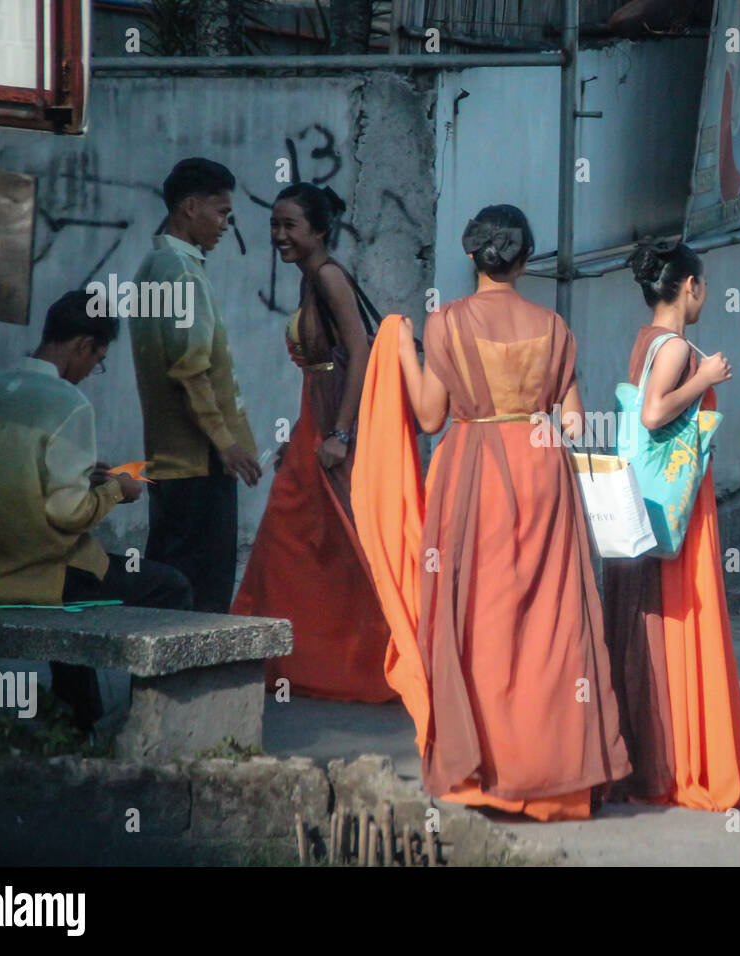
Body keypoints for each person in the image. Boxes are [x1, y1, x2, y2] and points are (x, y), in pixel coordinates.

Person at [396, 204, 630, 821]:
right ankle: (556, 774)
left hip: (473, 469)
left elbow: (428, 417)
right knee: (550, 622)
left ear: (472, 257)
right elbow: (575, 423)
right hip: (542, 467)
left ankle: (484, 770)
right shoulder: (553, 327)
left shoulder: (444, 324)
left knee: (480, 617)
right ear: (526, 260)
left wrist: (399, 346)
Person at [0, 291, 192, 731]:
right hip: (43, 573)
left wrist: (84, 477)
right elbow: (66, 513)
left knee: (80, 590)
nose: (90, 372)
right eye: (96, 360)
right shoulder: (68, 402)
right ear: (81, 346)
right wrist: (117, 490)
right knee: (170, 588)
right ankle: (147, 727)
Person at [601, 241, 740, 811]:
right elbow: (653, 413)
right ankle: (677, 759)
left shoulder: (646, 340)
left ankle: (652, 751)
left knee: (646, 616)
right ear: (689, 286)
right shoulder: (675, 346)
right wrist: (707, 377)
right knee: (675, 611)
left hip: (646, 494)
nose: (707, 295)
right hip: (674, 499)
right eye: (705, 285)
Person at [230, 184, 394, 702]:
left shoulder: (326, 276)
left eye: (290, 225)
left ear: (318, 231)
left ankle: (354, 664)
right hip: (314, 428)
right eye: (274, 224)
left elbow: (361, 352)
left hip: (332, 431)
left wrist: (340, 434)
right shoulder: (312, 278)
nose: (279, 235)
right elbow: (326, 368)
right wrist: (303, 436)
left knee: (335, 547)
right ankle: (297, 663)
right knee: (299, 546)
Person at [130, 157, 260, 613]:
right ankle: (195, 687)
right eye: (221, 212)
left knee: (166, 596)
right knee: (200, 605)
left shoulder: (152, 265)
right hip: (199, 464)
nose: (226, 224)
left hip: (170, 466)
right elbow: (189, 371)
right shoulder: (181, 272)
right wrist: (226, 443)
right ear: (190, 207)